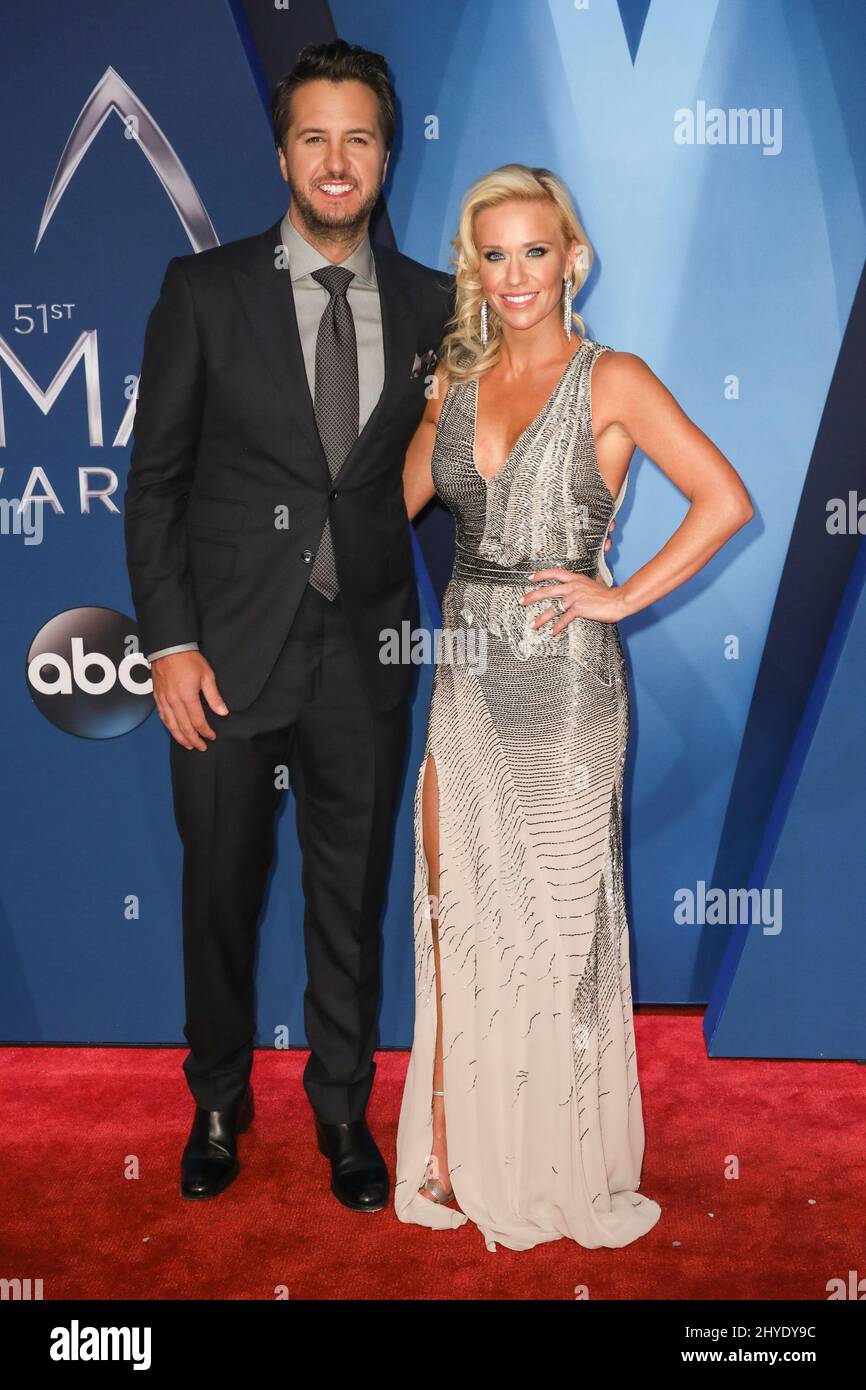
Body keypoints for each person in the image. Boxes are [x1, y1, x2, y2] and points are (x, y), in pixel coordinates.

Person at [395, 164, 754, 1251]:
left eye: (533, 251)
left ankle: (554, 1158)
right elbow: (389, 500)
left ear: (570, 259)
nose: (514, 275)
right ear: (474, 267)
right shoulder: (453, 386)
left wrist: (618, 592)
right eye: (492, 254)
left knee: (556, 930)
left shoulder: (614, 379)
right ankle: (460, 1145)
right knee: (459, 910)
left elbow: (724, 498)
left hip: (562, 683)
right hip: (464, 670)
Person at [123, 39, 455, 1210]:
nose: (334, 159)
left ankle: (341, 1114)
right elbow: (152, 481)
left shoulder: (435, 308)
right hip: (220, 657)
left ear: (383, 153)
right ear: (281, 154)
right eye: (313, 136)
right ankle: (215, 1098)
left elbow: (452, 475)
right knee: (216, 891)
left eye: (356, 137)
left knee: (348, 899)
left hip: (360, 658)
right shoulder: (201, 291)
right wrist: (167, 643)